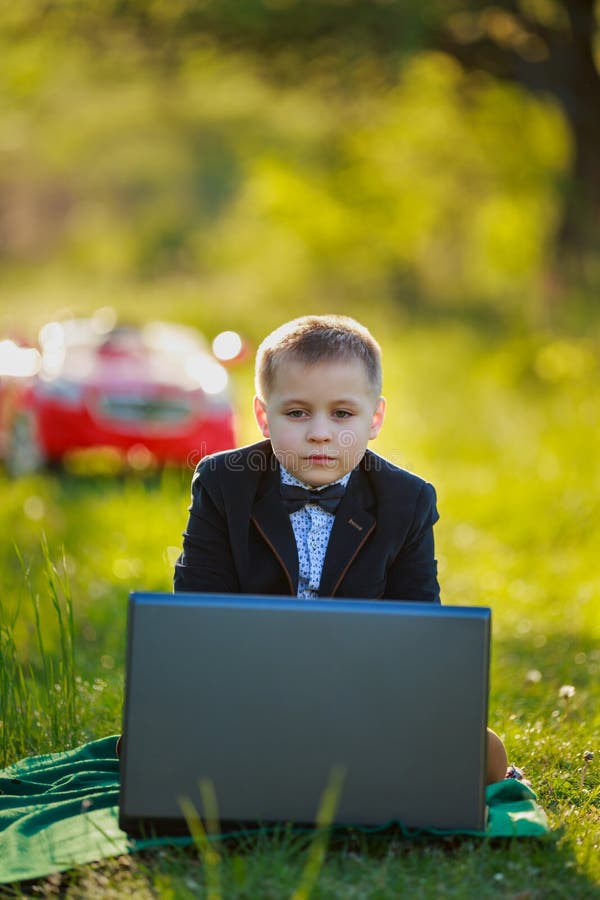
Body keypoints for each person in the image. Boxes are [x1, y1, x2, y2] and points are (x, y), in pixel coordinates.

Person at [172, 314, 510, 783]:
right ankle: (275, 762)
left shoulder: (406, 499)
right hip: (248, 685)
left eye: (342, 414)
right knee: (166, 728)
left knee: (468, 741)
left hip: (362, 693)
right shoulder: (222, 483)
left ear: (374, 419)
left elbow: (418, 625)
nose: (320, 433)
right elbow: (196, 608)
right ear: (263, 416)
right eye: (296, 413)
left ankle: (347, 762)